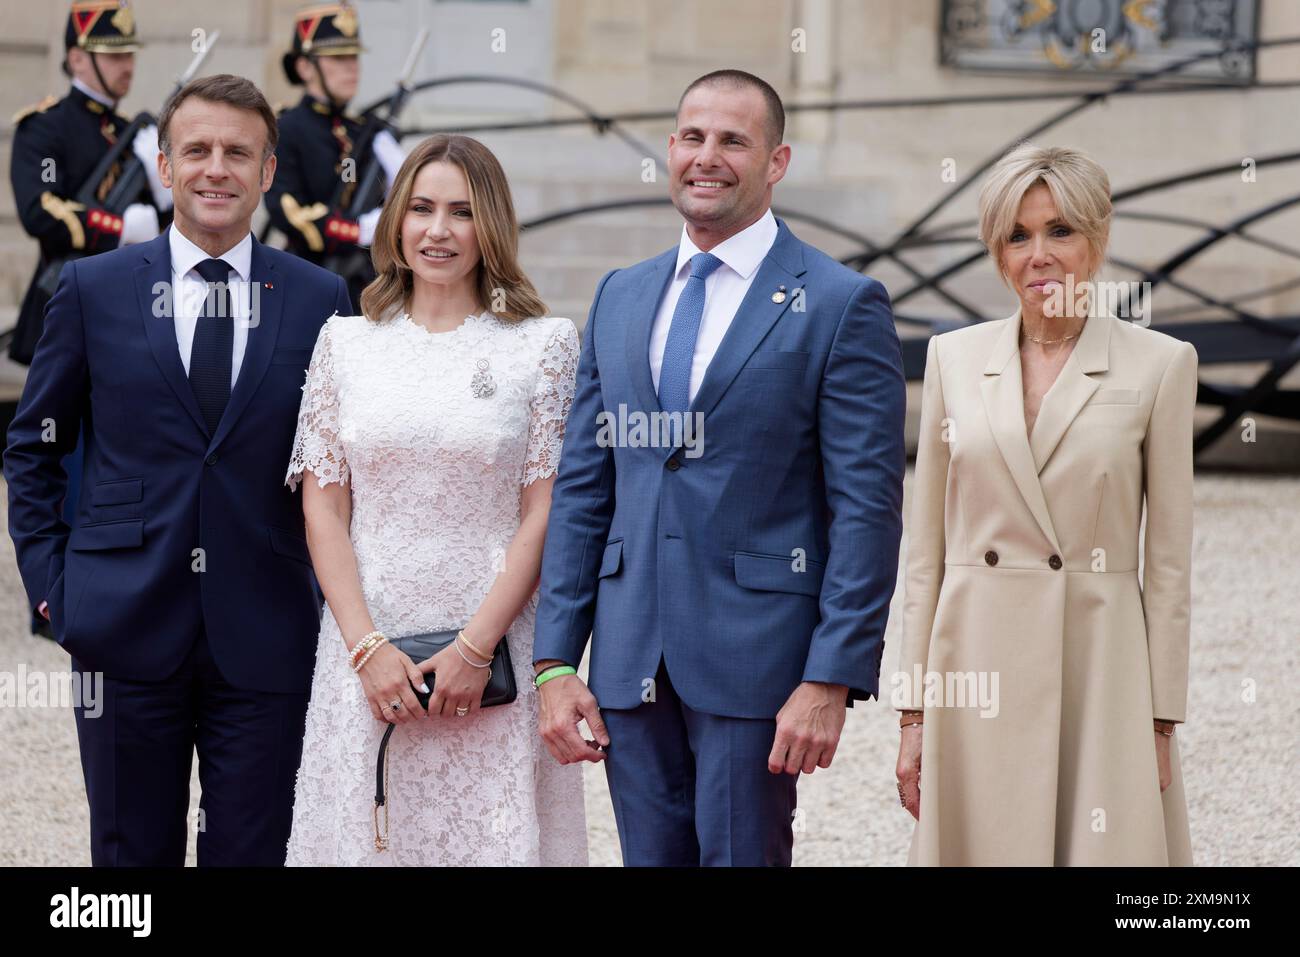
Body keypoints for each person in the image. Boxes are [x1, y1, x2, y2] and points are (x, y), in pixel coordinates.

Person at [532, 69, 907, 866]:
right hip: (631, 660)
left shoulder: (841, 303)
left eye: (734, 140)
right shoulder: (620, 296)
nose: (709, 157)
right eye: (694, 137)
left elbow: (867, 510)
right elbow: (583, 490)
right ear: (670, 150)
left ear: (776, 161)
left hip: (759, 666)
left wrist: (831, 675)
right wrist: (556, 659)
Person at [4, 74, 352, 866]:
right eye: (196, 150)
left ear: (268, 171)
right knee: (129, 859)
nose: (215, 168)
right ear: (165, 165)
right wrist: (56, 590)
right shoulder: (93, 288)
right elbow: (33, 447)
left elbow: (344, 467)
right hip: (121, 627)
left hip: (268, 633)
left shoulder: (320, 298)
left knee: (253, 852)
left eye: (238, 152)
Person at [283, 134, 587, 866]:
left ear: (492, 226)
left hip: (495, 645)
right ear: (396, 220)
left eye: (461, 211)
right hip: (364, 642)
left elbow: (545, 510)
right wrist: (366, 647)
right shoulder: (344, 344)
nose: (438, 230)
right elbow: (324, 508)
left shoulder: (544, 346)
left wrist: (476, 647)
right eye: (421, 208)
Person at [894, 143, 1196, 866]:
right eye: (1017, 235)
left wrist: (1159, 721)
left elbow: (1169, 565)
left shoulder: (1160, 364)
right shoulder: (952, 359)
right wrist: (912, 712)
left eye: (1060, 230)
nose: (1040, 255)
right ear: (997, 252)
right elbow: (924, 553)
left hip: (1099, 662)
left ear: (1096, 239)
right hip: (973, 660)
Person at [8, 0, 171, 366]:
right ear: (78, 58)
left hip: (130, 302)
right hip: (67, 299)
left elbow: (164, 226)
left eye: (130, 54)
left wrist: (166, 195)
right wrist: (121, 228)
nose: (127, 65)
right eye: (114, 56)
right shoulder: (45, 126)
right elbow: (40, 209)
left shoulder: (131, 132)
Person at [264, 1, 404, 307]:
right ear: (305, 67)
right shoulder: (286, 128)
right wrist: (356, 230)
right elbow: (289, 211)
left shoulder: (367, 131)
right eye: (338, 57)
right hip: (308, 276)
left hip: (368, 283)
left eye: (354, 57)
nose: (351, 66)